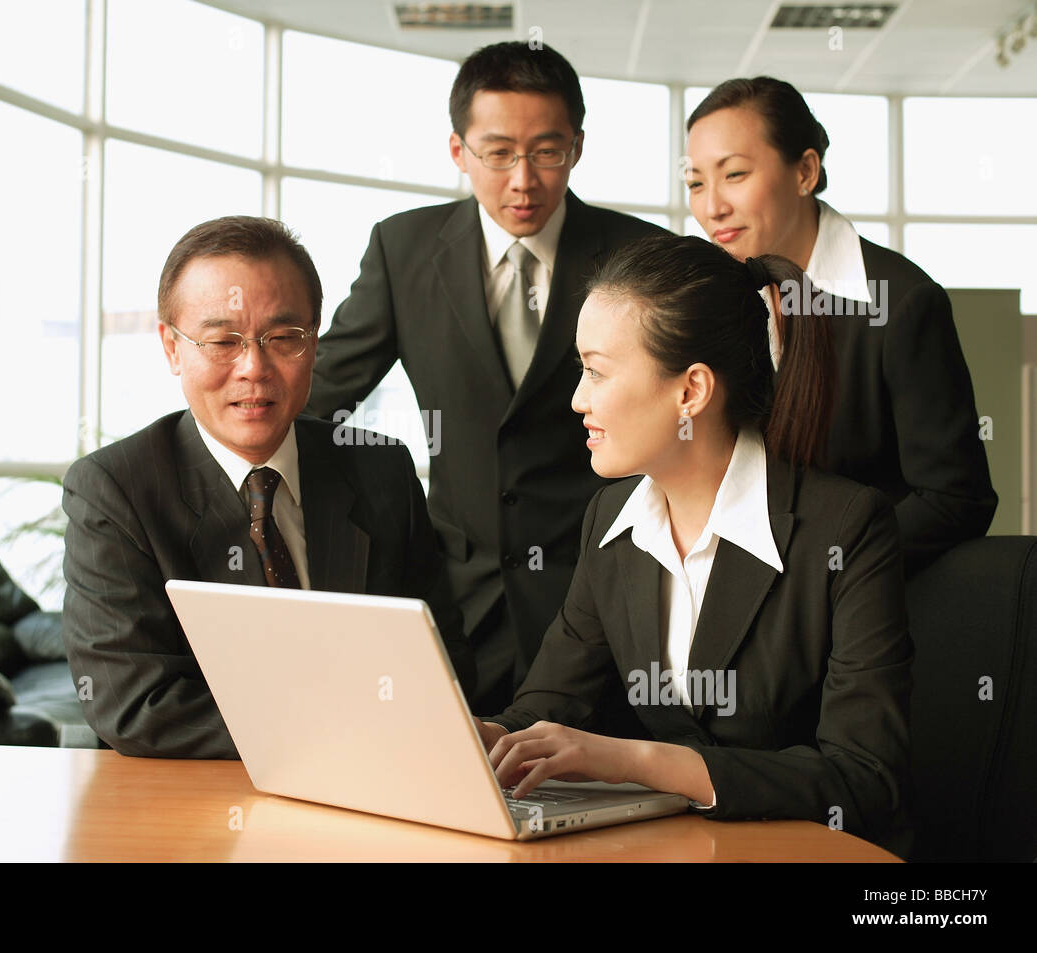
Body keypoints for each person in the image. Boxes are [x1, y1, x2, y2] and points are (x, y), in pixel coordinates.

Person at [476, 234, 914, 858]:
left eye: (597, 372)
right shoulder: (612, 520)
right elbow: (545, 713)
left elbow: (864, 778)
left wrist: (639, 761)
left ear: (691, 392)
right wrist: (472, 734)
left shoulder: (845, 527)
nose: (578, 400)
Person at [305, 41, 666, 715]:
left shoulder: (640, 254)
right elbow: (322, 394)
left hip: (605, 594)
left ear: (578, 147)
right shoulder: (403, 247)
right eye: (497, 152)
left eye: (546, 151)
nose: (522, 179)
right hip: (457, 598)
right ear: (458, 151)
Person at [62, 215, 476, 758]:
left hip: (378, 795)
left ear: (315, 341)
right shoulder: (115, 490)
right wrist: (349, 729)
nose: (254, 368)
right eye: (222, 341)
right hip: (198, 812)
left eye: (283, 338)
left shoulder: (380, 470)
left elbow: (444, 664)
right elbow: (137, 706)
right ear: (171, 348)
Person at [684, 76, 996, 575]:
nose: (712, 205)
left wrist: (828, 567)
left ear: (805, 171)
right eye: (696, 182)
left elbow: (954, 498)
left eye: (735, 174)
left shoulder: (900, 302)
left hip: (863, 609)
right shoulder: (714, 300)